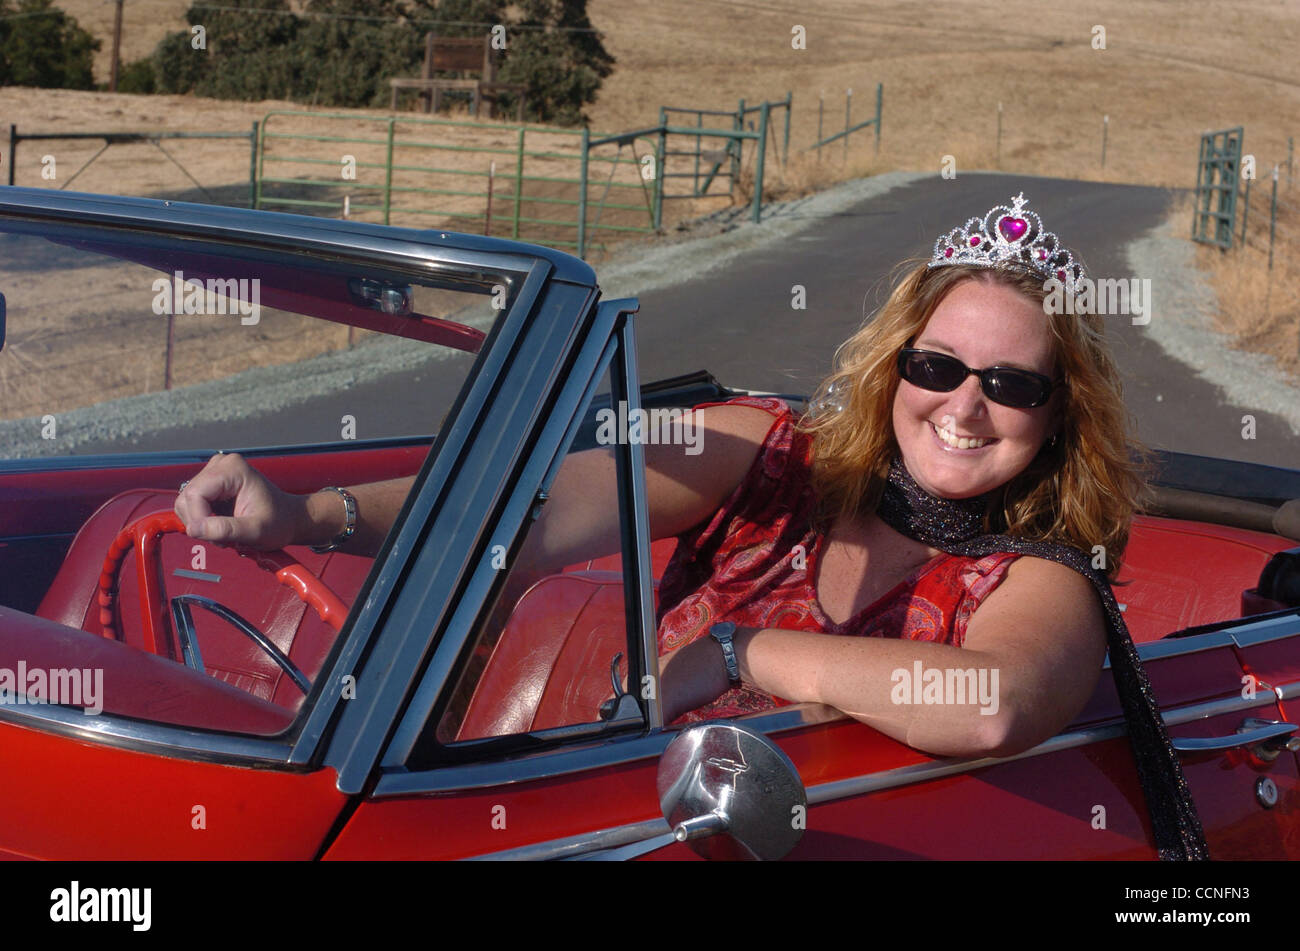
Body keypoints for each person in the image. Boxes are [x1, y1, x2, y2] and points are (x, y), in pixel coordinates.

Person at [176, 193, 1207, 858]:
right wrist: (313, 514)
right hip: (612, 826)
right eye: (934, 367)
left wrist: (737, 649)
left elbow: (990, 705)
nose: (963, 407)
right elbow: (528, 516)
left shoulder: (1039, 578)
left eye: (1011, 384)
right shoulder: (766, 457)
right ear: (895, 367)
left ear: (1060, 410)